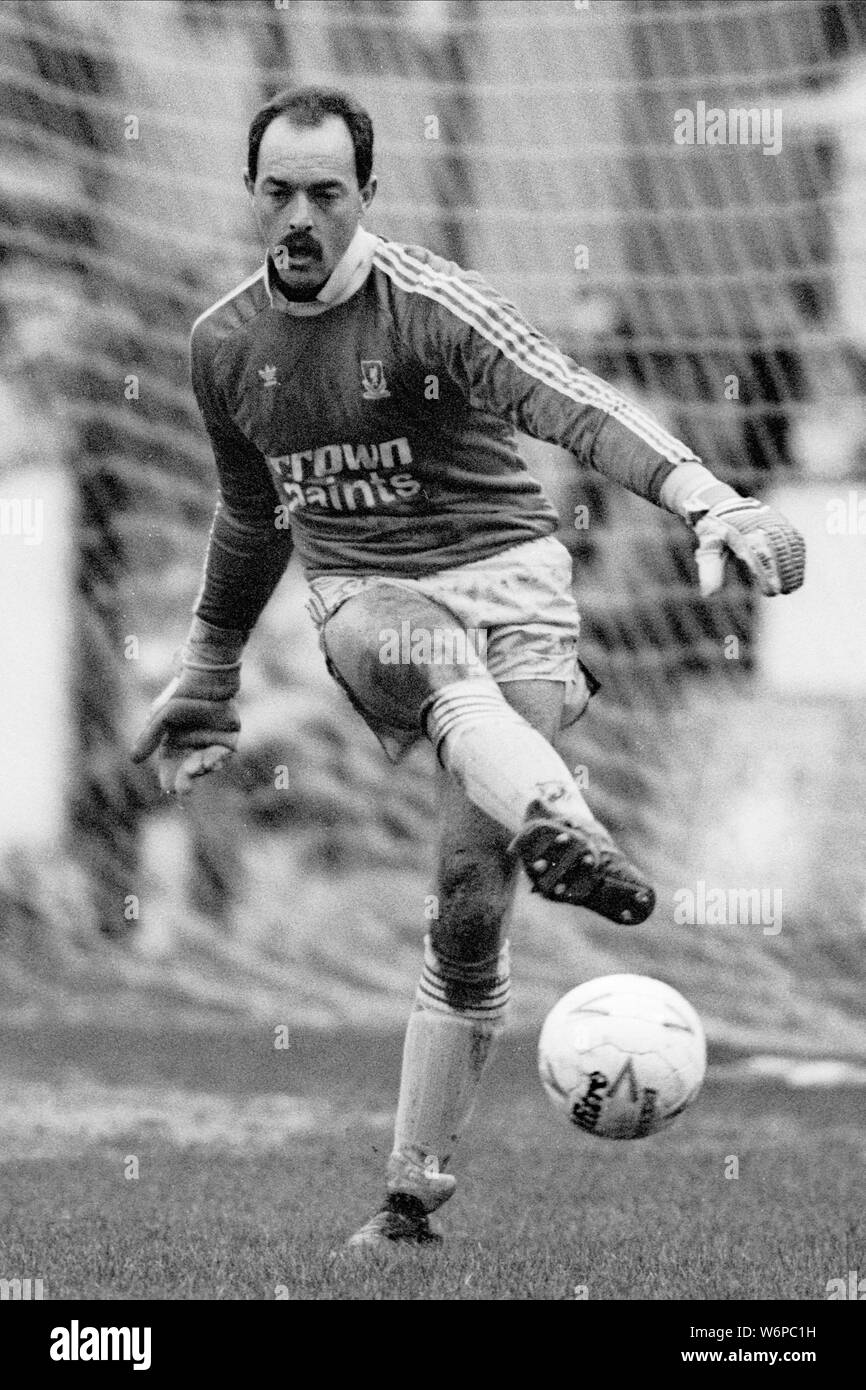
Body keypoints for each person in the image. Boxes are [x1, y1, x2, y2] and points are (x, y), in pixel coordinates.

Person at [131, 87, 805, 1251]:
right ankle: (563, 821)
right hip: (365, 598)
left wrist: (708, 497)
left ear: (367, 198)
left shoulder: (434, 310)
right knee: (426, 661)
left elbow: (577, 408)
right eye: (278, 191)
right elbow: (253, 518)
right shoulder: (222, 346)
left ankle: (409, 1198)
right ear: (251, 193)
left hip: (513, 585)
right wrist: (207, 668)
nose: (300, 216)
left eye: (325, 193)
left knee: (466, 903)